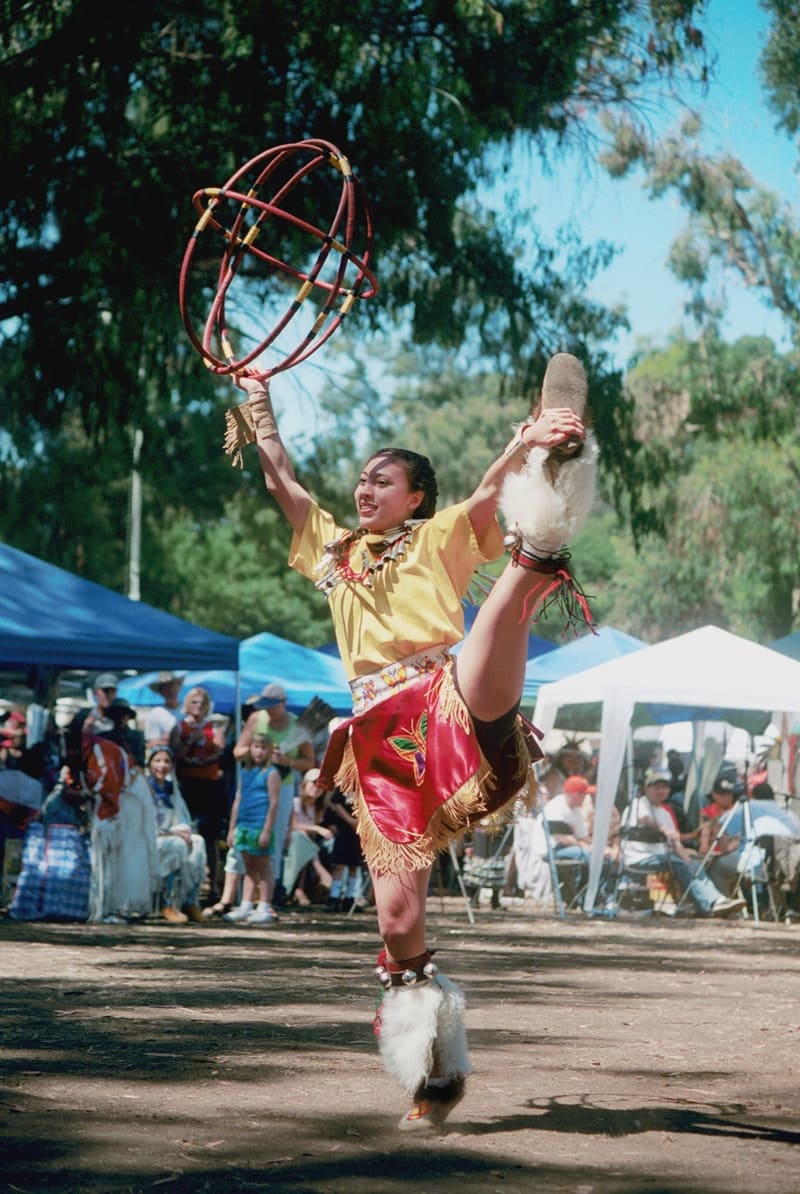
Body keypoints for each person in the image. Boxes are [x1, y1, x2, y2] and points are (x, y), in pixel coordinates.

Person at [231, 349, 598, 1132]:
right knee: (398, 926)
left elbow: (485, 493)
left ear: (416, 496)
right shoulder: (333, 554)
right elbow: (281, 483)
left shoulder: (442, 535)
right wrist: (259, 406)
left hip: (450, 700)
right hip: (379, 746)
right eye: (363, 480)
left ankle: (546, 521)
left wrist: (525, 444)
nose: (365, 489)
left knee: (507, 596)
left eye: (382, 481)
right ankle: (434, 1077)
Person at [621, 767, 746, 919]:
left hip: (662, 856)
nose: (661, 791)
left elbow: (676, 842)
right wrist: (664, 829)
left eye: (664, 787)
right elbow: (645, 819)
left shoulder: (665, 813)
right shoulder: (638, 804)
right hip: (638, 856)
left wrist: (687, 860)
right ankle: (709, 904)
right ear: (647, 788)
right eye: (657, 787)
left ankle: (715, 901)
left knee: (691, 863)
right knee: (677, 862)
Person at [233, 683, 315, 906]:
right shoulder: (256, 719)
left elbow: (309, 761)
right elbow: (237, 750)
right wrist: (259, 752)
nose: (268, 711)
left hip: (283, 785)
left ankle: (271, 893)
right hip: (254, 782)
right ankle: (248, 896)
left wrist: (287, 761)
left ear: (283, 703)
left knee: (274, 836)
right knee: (249, 833)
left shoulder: (297, 726)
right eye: (265, 706)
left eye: (273, 706)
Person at [169, 687, 227, 906]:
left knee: (210, 837)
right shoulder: (180, 727)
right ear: (187, 704)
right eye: (194, 703)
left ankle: (212, 885)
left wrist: (207, 749)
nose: (198, 707)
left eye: (202, 703)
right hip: (188, 784)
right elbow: (176, 754)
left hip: (210, 785)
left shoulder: (214, 727)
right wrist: (191, 741)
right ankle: (185, 885)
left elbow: (220, 751)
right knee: (188, 832)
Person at [145, 747, 208, 924]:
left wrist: (184, 831)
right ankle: (168, 903)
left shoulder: (172, 789)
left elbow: (182, 817)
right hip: (150, 840)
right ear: (150, 764)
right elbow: (144, 825)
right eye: (157, 761)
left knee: (198, 842)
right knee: (177, 845)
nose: (162, 766)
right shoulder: (145, 789)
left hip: (171, 835)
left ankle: (189, 900)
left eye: (167, 761)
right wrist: (173, 833)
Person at [224, 732, 281, 924]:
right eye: (256, 747)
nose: (259, 751)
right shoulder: (245, 771)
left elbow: (273, 803)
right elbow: (238, 799)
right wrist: (232, 828)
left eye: (263, 747)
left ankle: (264, 904)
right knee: (248, 866)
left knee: (263, 866)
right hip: (244, 824)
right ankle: (246, 904)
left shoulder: (271, 773)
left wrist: (267, 830)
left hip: (259, 824)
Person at [286, 767, 333, 906]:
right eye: (314, 783)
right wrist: (317, 828)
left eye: (321, 785)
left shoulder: (318, 808)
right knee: (302, 837)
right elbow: (294, 825)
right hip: (293, 840)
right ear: (305, 784)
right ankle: (319, 872)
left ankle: (302, 890)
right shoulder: (295, 802)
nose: (317, 787)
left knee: (308, 844)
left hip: (309, 845)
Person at [144, 672, 186, 752]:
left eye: (172, 684)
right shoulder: (155, 713)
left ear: (179, 686)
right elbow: (151, 743)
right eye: (165, 687)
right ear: (160, 691)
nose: (170, 689)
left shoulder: (188, 710)